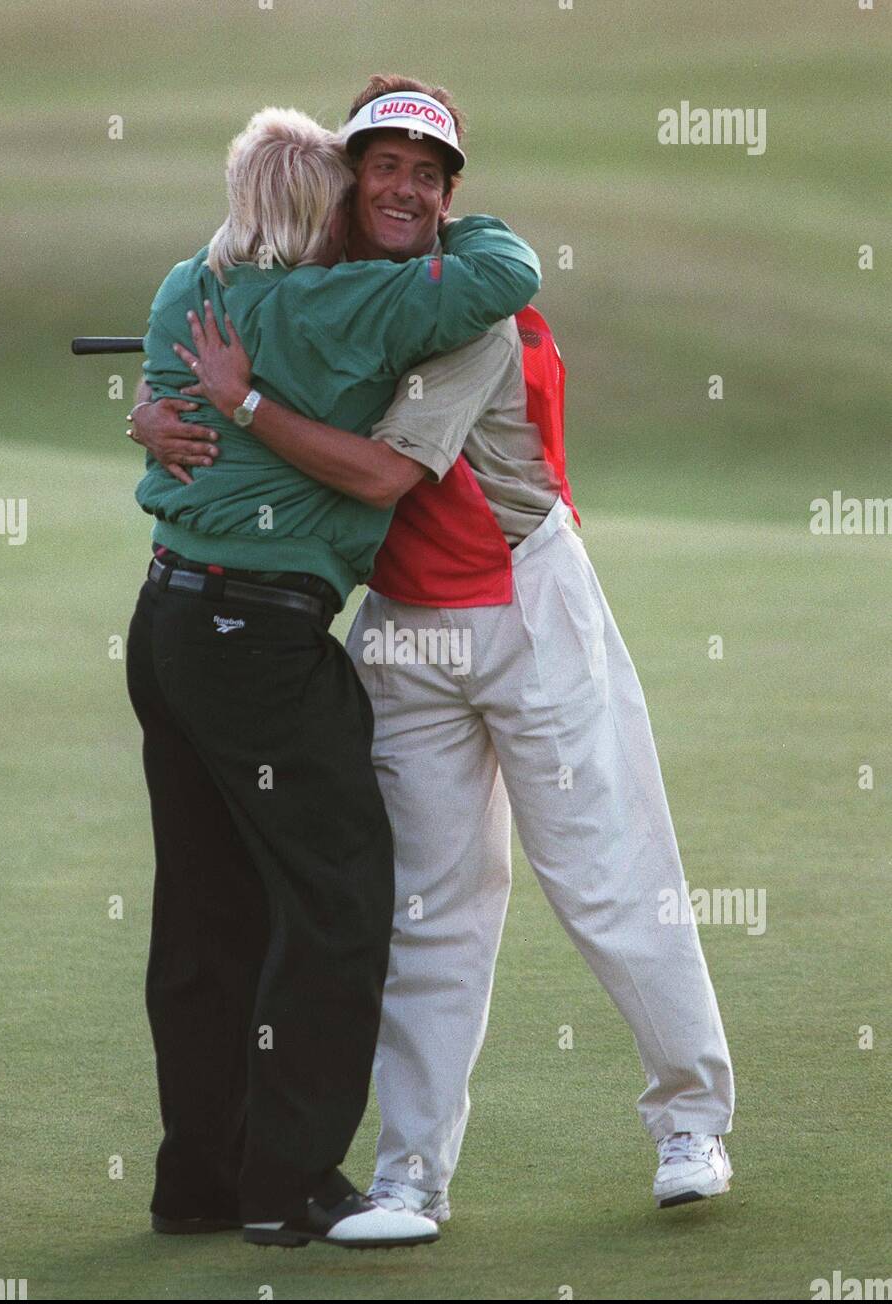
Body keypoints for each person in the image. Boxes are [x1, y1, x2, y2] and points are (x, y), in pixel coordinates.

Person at [131, 76, 735, 1224]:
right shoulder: (313, 283)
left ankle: (692, 1118)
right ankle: (412, 1167)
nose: (405, 187)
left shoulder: (461, 303)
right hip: (398, 626)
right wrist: (154, 411)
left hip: (523, 597)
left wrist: (245, 404)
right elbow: (203, 334)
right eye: (385, 165)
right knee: (427, 906)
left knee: (608, 874)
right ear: (346, 177)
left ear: (450, 196)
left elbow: (380, 475)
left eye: (429, 172)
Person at [125, 102, 541, 1250]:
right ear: (320, 211)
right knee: (339, 899)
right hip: (259, 642)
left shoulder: (184, 292)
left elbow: (159, 389)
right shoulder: (338, 304)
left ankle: (199, 1180)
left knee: (207, 912)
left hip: (165, 619)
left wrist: (151, 412)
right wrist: (443, 210)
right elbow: (508, 269)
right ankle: (289, 1184)